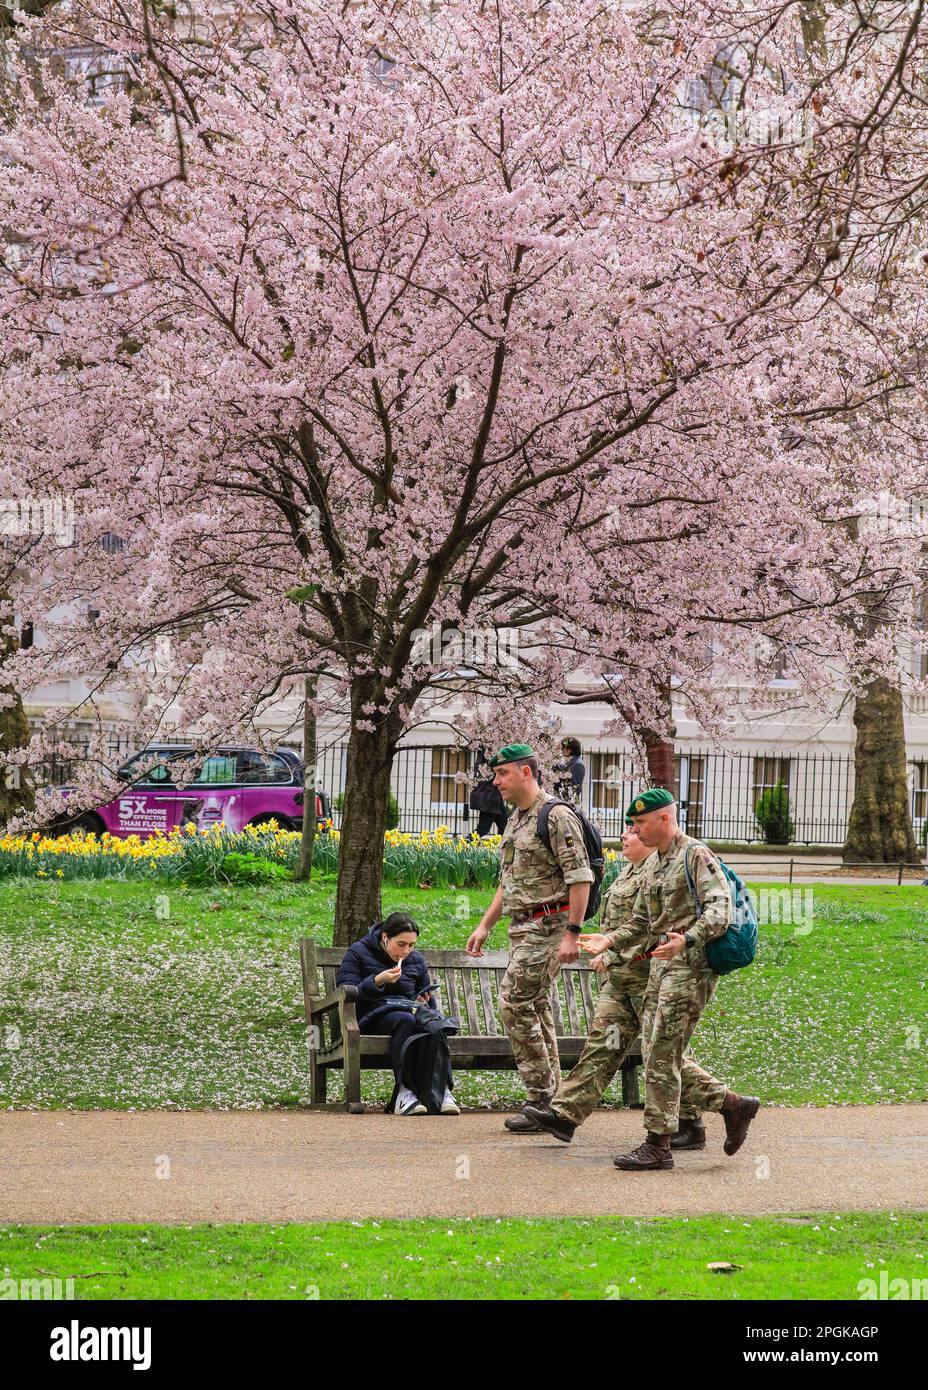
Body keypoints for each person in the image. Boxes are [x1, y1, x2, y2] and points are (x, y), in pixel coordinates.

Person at [523, 822, 715, 1144]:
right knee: (603, 1044)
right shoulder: (628, 873)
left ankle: (699, 1116)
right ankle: (565, 1115)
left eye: (633, 832)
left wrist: (613, 955)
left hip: (644, 978)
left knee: (666, 1055)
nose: (625, 836)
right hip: (619, 981)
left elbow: (653, 930)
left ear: (650, 841)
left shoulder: (656, 876)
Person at [611, 788, 760, 1171]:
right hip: (662, 967)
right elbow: (643, 921)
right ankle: (732, 1105)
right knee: (659, 1051)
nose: (635, 830)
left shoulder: (695, 854)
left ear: (664, 818)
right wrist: (609, 940)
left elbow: (720, 909)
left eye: (641, 822)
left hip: (691, 967)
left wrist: (687, 939)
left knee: (661, 1052)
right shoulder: (655, 862)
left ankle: (658, 1145)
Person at [465, 742, 594, 1132]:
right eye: (495, 773)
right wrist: (486, 924)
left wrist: (573, 932)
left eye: (503, 773)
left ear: (526, 772)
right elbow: (509, 881)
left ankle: (540, 1096)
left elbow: (580, 877)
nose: (496, 780)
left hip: (550, 926)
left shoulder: (555, 816)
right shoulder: (516, 819)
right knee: (536, 1007)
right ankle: (553, 1102)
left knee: (514, 1001)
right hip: (521, 927)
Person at [336, 912, 459, 1116]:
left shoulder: (416, 960)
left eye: (411, 945)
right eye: (401, 944)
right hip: (370, 1018)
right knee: (407, 1020)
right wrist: (377, 981)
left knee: (435, 1024)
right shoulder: (358, 952)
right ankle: (404, 1092)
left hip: (408, 1014)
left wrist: (425, 1001)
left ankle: (442, 1090)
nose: (406, 951)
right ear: (385, 938)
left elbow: (426, 999)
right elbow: (346, 993)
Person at [469, 746, 508, 837]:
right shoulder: (487, 758)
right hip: (489, 798)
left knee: (504, 827)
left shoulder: (483, 757)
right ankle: (465, 845)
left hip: (493, 797)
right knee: (483, 829)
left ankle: (502, 849)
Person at [553, 738, 585, 807]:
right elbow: (564, 768)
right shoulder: (572, 761)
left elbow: (575, 787)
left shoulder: (577, 764)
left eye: (562, 748)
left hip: (567, 803)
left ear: (569, 750)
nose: (561, 750)